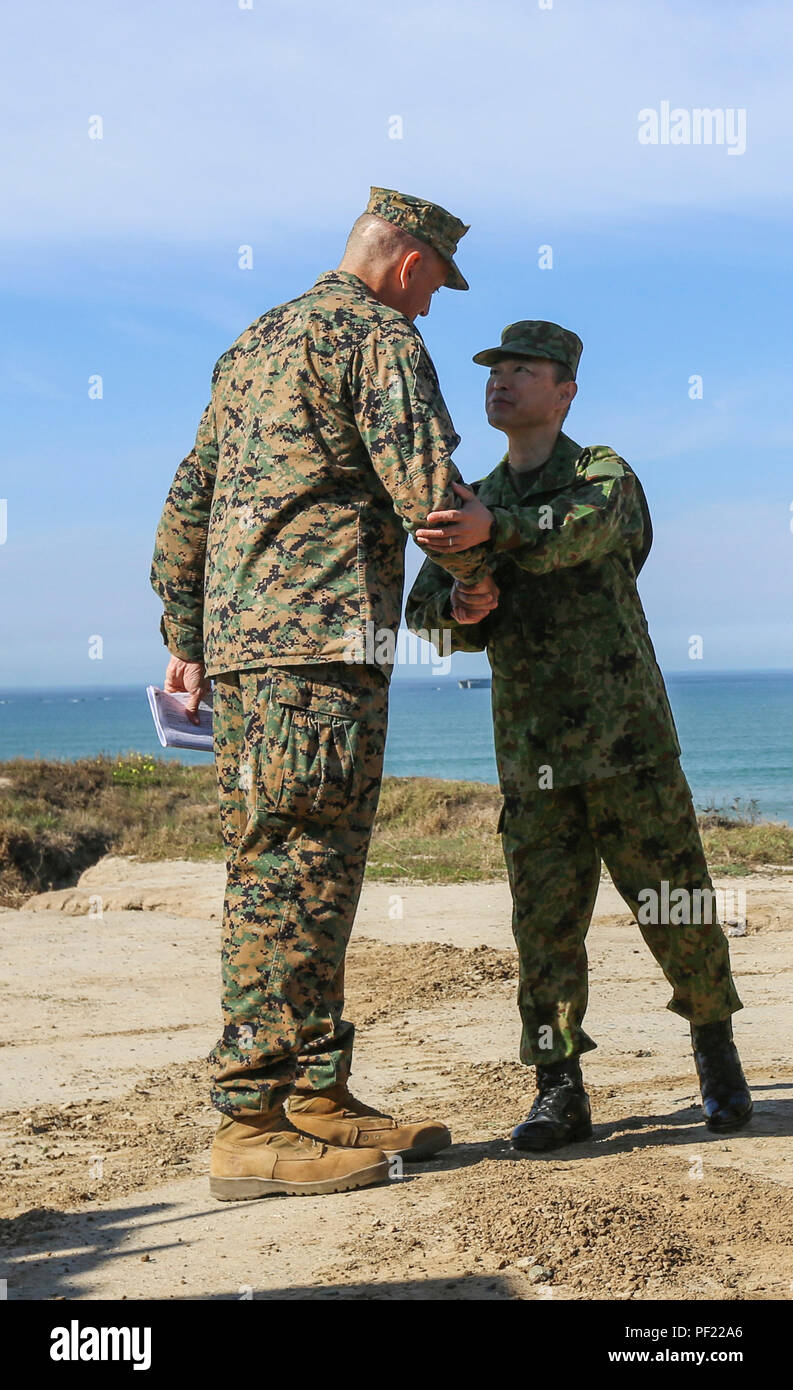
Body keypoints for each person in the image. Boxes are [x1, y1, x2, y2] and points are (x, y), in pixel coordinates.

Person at [150, 187, 490, 1199]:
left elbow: (185, 504)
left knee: (305, 872)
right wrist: (476, 582)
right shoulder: (376, 336)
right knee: (292, 876)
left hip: (251, 657)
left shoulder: (251, 346)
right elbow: (432, 494)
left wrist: (186, 636)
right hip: (321, 657)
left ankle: (312, 1095)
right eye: (432, 289)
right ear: (408, 266)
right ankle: (251, 1120)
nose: (428, 309)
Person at [405, 319, 752, 1152]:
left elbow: (593, 530)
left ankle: (715, 1054)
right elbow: (421, 611)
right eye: (495, 370)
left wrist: (503, 534)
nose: (503, 382)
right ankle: (558, 1089)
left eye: (525, 371)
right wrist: (459, 608)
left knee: (676, 908)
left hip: (628, 743)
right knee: (545, 930)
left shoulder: (603, 474)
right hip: (534, 761)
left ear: (564, 392)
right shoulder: (468, 499)